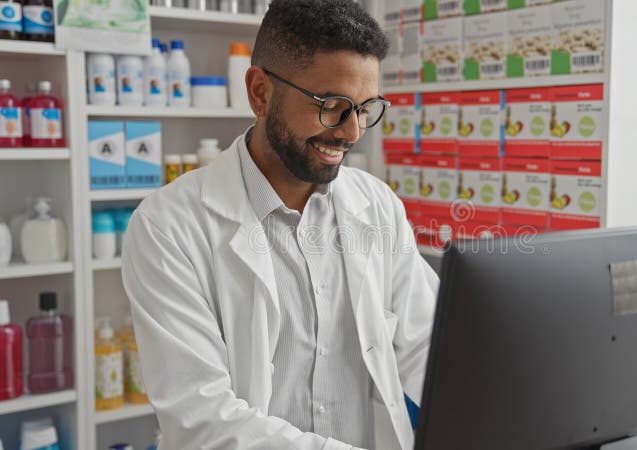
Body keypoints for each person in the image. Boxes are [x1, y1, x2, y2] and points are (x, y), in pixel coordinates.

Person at [120, 1, 439, 449]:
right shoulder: (167, 226)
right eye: (333, 106)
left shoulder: (377, 205)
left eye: (366, 108)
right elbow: (202, 419)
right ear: (259, 92)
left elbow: (429, 347)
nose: (353, 132)